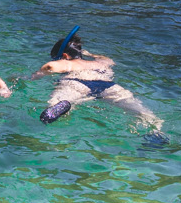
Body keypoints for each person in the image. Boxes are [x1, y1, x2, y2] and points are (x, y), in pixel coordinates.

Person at [34, 26, 162, 135]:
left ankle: (62, 106)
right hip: (107, 85)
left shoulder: (65, 63)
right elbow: (109, 60)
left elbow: (50, 67)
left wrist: (34, 76)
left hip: (77, 82)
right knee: (141, 112)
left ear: (64, 56)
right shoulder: (101, 63)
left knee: (61, 101)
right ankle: (156, 131)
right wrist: (89, 54)